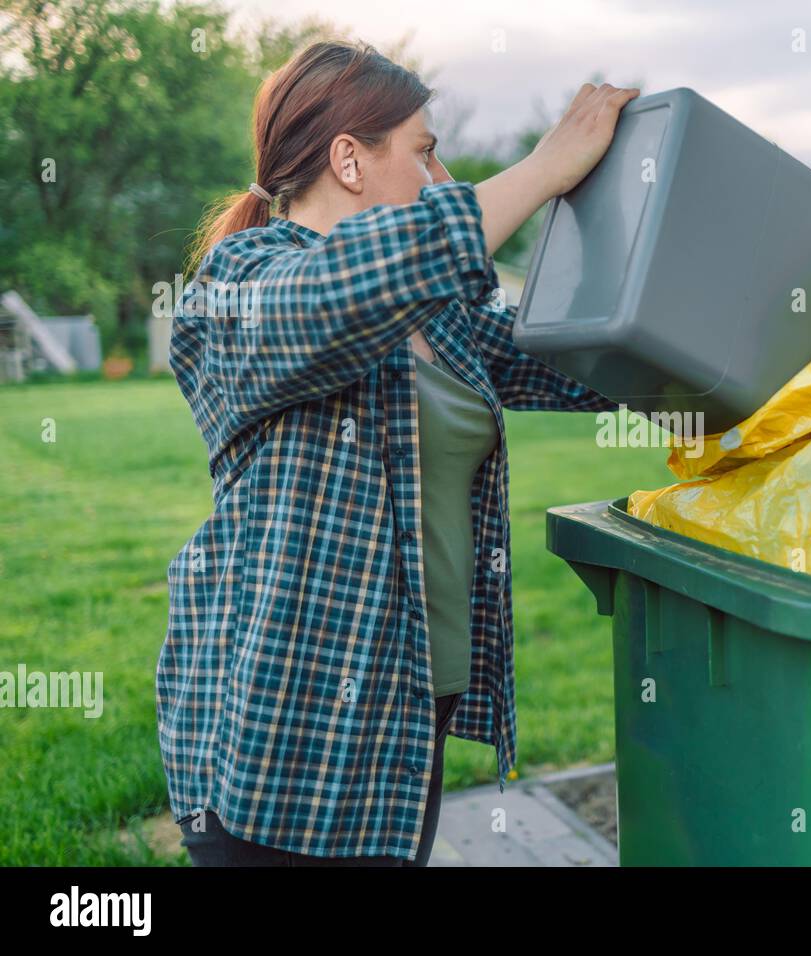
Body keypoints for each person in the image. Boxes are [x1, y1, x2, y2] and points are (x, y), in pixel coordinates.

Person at [159, 38, 637, 866]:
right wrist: (545, 167)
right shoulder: (237, 288)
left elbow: (581, 359)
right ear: (349, 159)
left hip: (415, 696)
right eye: (425, 151)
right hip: (290, 721)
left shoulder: (439, 318)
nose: (441, 177)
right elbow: (344, 292)